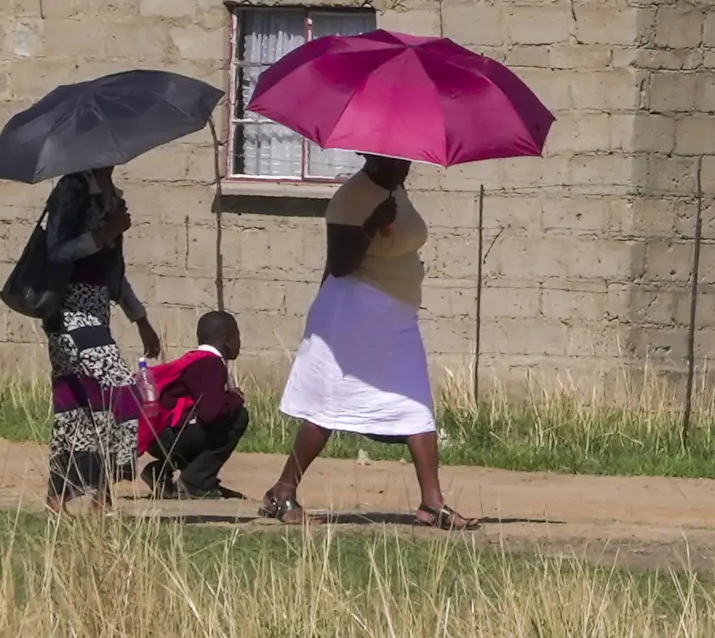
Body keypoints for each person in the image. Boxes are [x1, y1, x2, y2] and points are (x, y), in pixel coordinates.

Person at [260, 154, 476, 529]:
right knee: (327, 407)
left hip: (395, 318)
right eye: (400, 162)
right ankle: (282, 491)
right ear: (375, 158)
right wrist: (372, 225)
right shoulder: (351, 197)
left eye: (408, 162)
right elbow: (341, 263)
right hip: (353, 314)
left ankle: (431, 504)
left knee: (416, 403)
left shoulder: (395, 189)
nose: (407, 168)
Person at [41, 166, 162, 512]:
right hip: (69, 312)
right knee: (121, 392)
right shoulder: (72, 188)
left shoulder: (113, 197)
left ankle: (75, 496)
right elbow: (57, 251)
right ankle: (98, 490)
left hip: (98, 313)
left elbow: (114, 273)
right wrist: (104, 232)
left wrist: (140, 319)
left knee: (79, 407)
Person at [140, 310, 248, 500]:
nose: (240, 343)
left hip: (159, 436)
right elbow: (211, 414)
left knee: (209, 423)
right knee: (238, 416)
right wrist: (235, 398)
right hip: (173, 436)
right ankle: (196, 483)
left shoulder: (192, 359)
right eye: (237, 336)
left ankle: (160, 471)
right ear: (226, 339)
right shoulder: (210, 364)